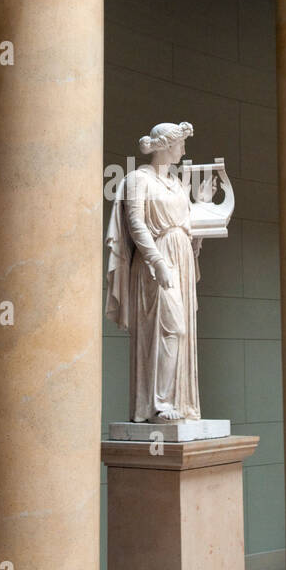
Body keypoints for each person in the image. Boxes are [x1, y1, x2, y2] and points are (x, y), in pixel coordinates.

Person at [105, 122, 217, 422]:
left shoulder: (178, 185)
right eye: (180, 144)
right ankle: (156, 403)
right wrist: (156, 261)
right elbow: (136, 223)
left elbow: (189, 232)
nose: (183, 149)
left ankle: (179, 402)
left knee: (182, 331)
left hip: (180, 259)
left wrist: (203, 205)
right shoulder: (138, 179)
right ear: (167, 145)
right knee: (170, 328)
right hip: (158, 263)